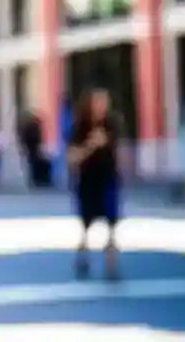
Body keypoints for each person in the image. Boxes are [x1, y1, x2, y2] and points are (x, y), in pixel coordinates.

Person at [68, 88, 124, 281]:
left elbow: (117, 148)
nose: (101, 106)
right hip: (87, 179)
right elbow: (73, 157)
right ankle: (83, 254)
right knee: (87, 219)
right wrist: (91, 145)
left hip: (108, 176)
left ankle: (111, 260)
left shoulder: (112, 124)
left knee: (111, 218)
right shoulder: (80, 126)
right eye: (97, 102)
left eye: (104, 101)